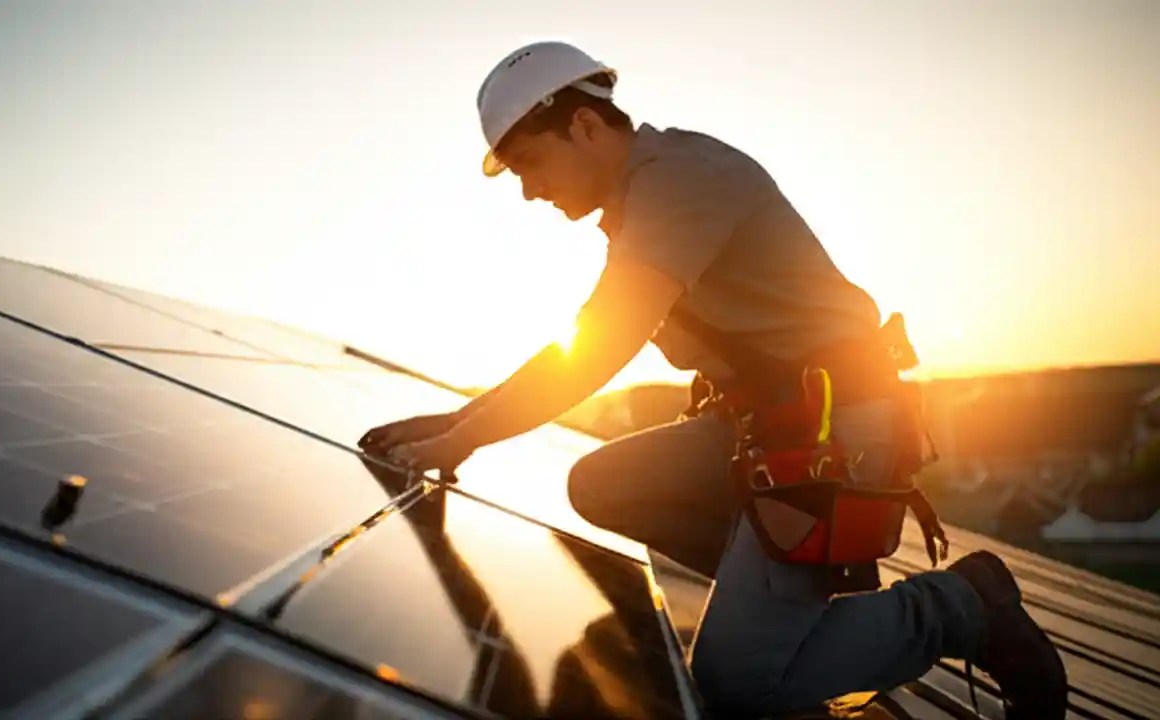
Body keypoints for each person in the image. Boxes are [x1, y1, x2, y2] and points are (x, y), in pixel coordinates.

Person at [359, 41, 1066, 718]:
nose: (527, 191)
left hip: (836, 431)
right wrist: (456, 427)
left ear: (582, 125)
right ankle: (803, 582)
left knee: (735, 684)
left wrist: (466, 438)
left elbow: (596, 345)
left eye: (530, 164)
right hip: (769, 428)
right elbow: (588, 343)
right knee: (599, 485)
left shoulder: (678, 182)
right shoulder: (645, 196)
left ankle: (965, 605)